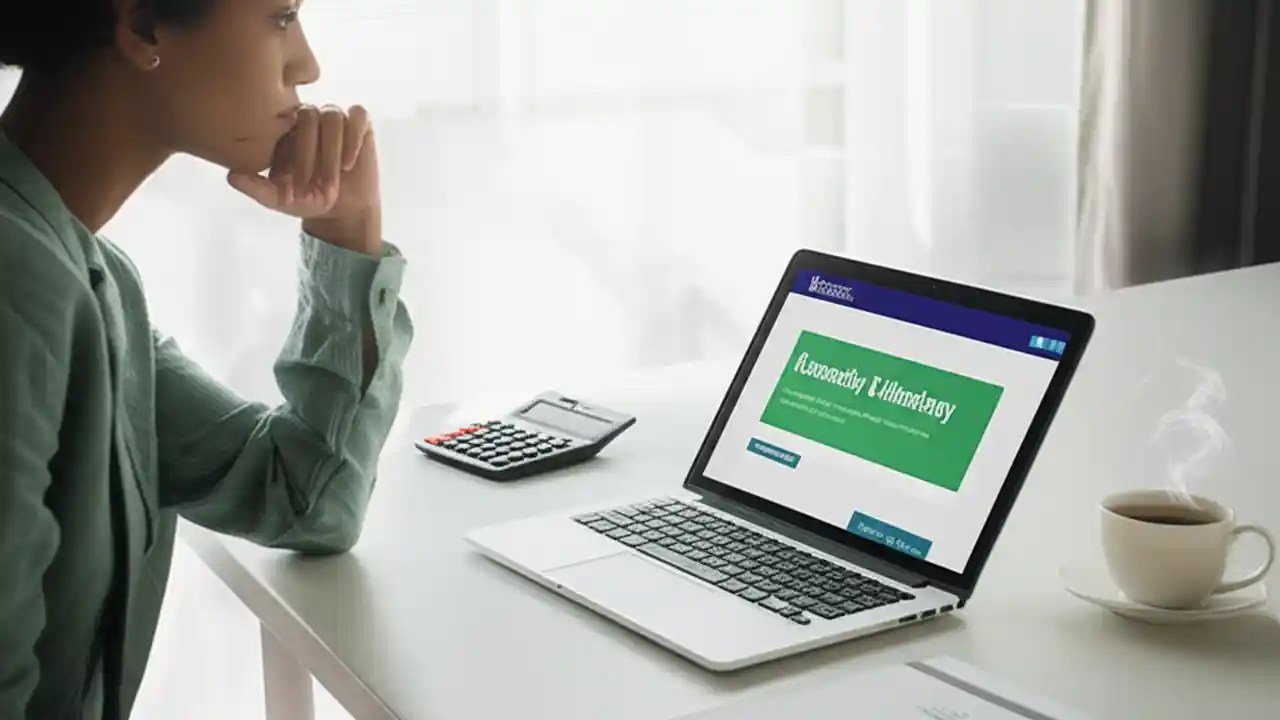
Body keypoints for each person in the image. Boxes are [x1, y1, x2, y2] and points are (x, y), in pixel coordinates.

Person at [0, 1, 414, 717]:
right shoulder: (17, 284)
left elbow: (306, 500)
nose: (308, 65)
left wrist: (348, 230)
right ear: (143, 28)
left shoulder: (89, 279)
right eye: (281, 17)